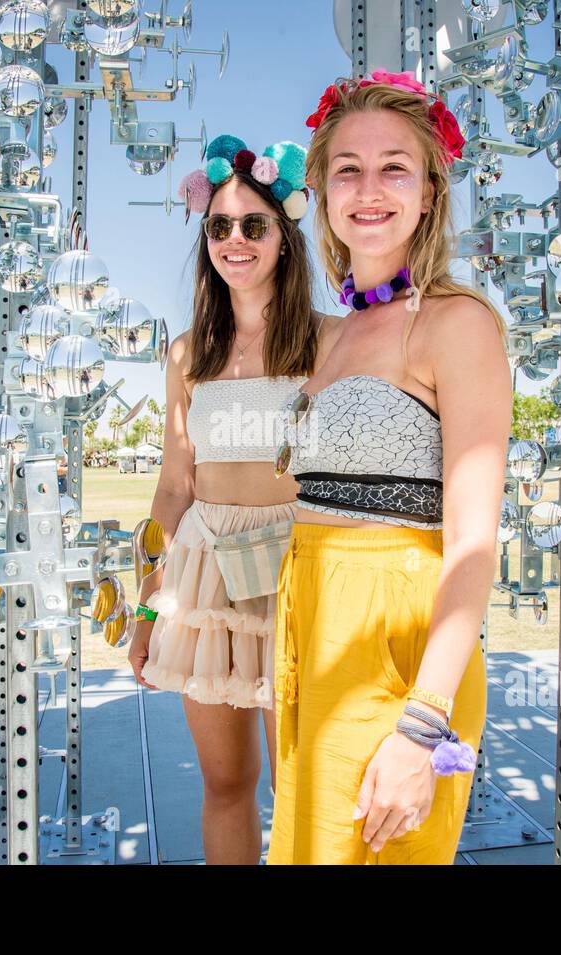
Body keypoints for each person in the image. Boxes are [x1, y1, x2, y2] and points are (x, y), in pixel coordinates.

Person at [267, 70, 512, 865]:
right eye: (348, 169)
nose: (369, 189)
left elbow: (474, 545)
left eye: (394, 167)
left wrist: (423, 726)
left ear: (430, 191)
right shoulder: (330, 336)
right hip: (309, 630)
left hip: (397, 646)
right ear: (324, 193)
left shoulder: (458, 324)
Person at [127, 134, 342, 864]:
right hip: (207, 572)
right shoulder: (188, 352)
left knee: (302, 782)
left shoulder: (331, 341)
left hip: (300, 568)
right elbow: (173, 486)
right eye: (220, 226)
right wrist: (147, 606)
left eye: (254, 224)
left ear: (285, 236)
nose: (235, 240)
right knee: (226, 782)